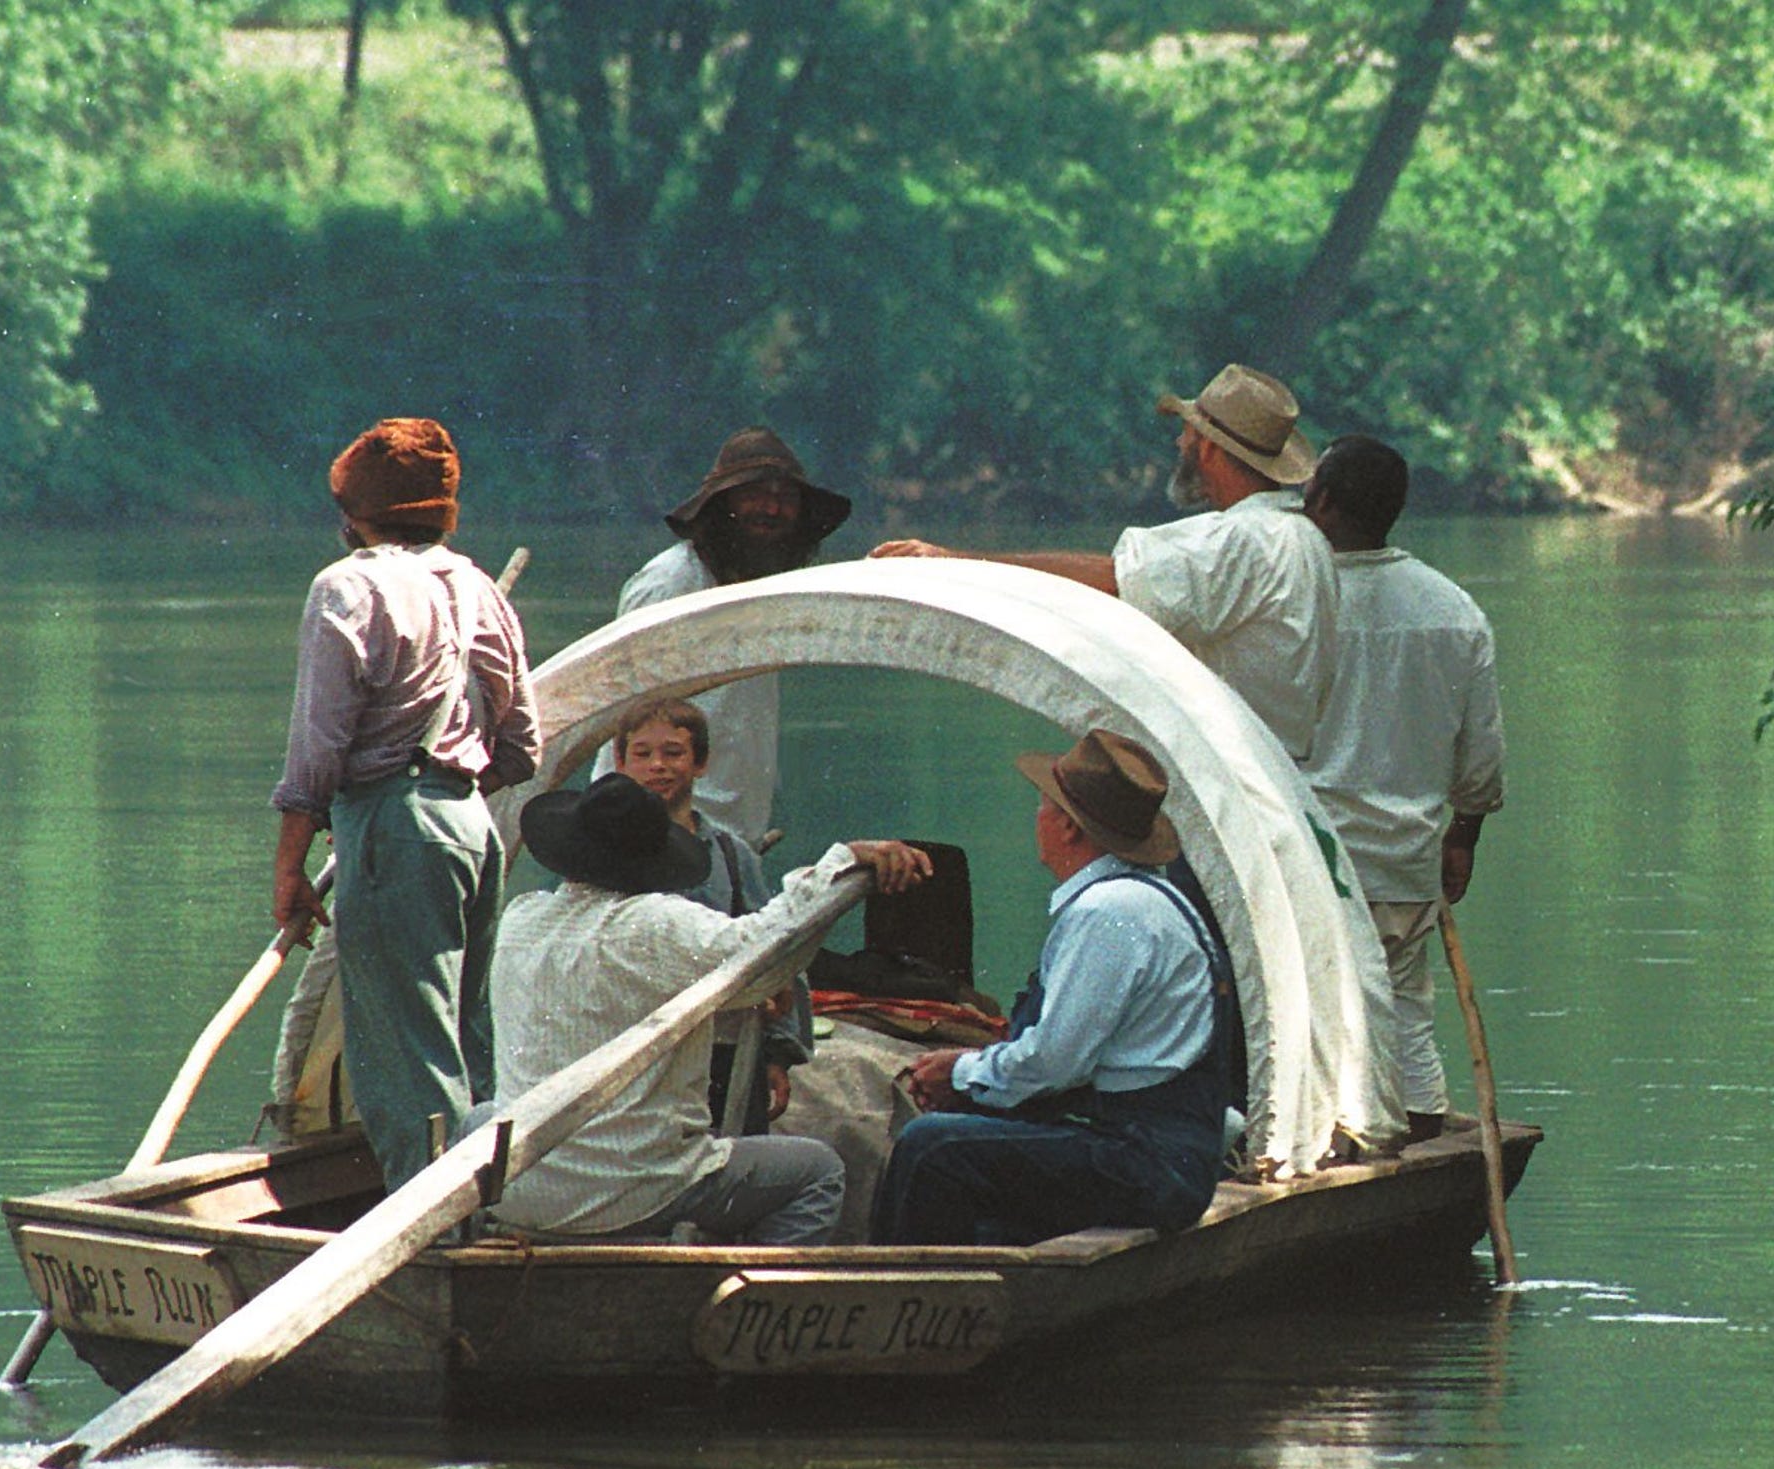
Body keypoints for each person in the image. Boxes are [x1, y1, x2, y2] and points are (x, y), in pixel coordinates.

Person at [478, 773, 933, 1244]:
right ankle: (743, 1291)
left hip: (520, 1187)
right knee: (818, 1171)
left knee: (484, 1117)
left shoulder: (521, 917)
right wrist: (843, 859)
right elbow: (768, 946)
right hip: (630, 1190)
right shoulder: (652, 924)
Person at [270, 417, 539, 1190]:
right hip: (471, 829)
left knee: (407, 1065)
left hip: (399, 827)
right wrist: (437, 803)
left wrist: (292, 865)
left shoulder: (347, 585)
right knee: (465, 1047)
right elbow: (521, 745)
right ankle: (486, 1206)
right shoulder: (476, 587)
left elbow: (318, 744)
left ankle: (436, 1231)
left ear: (354, 512)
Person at [873, 729, 1245, 1246]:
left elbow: (1054, 1063)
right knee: (964, 1140)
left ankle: (911, 1288)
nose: (1037, 817)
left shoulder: (1107, 912)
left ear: (1068, 827)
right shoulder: (1149, 898)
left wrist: (960, 1073)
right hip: (1163, 1151)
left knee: (931, 1148)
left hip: (1149, 1163)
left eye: (1043, 805)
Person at [870, 365, 1338, 763]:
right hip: (1280, 768)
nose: (1180, 443)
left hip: (1236, 773)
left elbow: (1113, 581)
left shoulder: (1242, 540)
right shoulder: (1305, 537)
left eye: (1188, 434)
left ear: (1210, 448)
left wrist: (954, 561)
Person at [1298, 436, 1505, 1138]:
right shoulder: (1453, 609)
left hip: (1312, 860)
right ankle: (1417, 1119)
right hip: (1404, 858)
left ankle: (1340, 1133)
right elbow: (1480, 757)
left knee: (1310, 1007)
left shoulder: (1293, 601)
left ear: (1322, 501)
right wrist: (1463, 836)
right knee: (1405, 1002)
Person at [610, 427, 854, 838]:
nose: (772, 508)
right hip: (664, 827)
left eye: (785, 497)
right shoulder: (672, 585)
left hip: (731, 831)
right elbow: (630, 715)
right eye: (754, 494)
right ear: (721, 505)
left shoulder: (758, 589)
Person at [610, 694, 813, 1131]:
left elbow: (779, 952)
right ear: (620, 763)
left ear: (700, 763)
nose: (658, 766)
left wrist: (778, 1054)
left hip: (725, 1051)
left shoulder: (731, 855)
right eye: (642, 754)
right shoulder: (600, 857)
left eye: (673, 753)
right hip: (634, 1050)